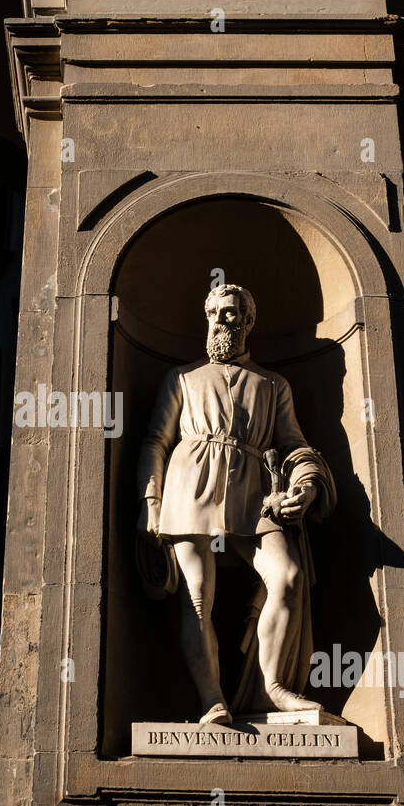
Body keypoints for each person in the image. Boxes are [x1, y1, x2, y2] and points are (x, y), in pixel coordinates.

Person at [137, 283, 336, 724]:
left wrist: (305, 488)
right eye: (216, 313)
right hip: (190, 481)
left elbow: (295, 445)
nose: (222, 321)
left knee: (288, 575)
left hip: (255, 489)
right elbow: (156, 440)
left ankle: (273, 688)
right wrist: (149, 501)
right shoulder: (183, 378)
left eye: (232, 314)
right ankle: (212, 699)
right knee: (196, 595)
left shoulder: (272, 384)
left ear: (249, 322)